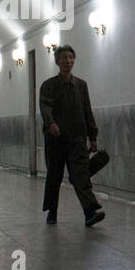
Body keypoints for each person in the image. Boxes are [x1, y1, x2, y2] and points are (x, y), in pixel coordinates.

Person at [39, 45, 105, 227]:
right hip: (56, 141)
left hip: (77, 139)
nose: (68, 61)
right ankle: (52, 211)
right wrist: (51, 123)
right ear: (57, 61)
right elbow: (45, 107)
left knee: (81, 176)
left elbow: (87, 111)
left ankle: (89, 212)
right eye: (64, 58)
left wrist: (92, 137)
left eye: (71, 58)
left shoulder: (81, 86)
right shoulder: (48, 86)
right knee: (54, 176)